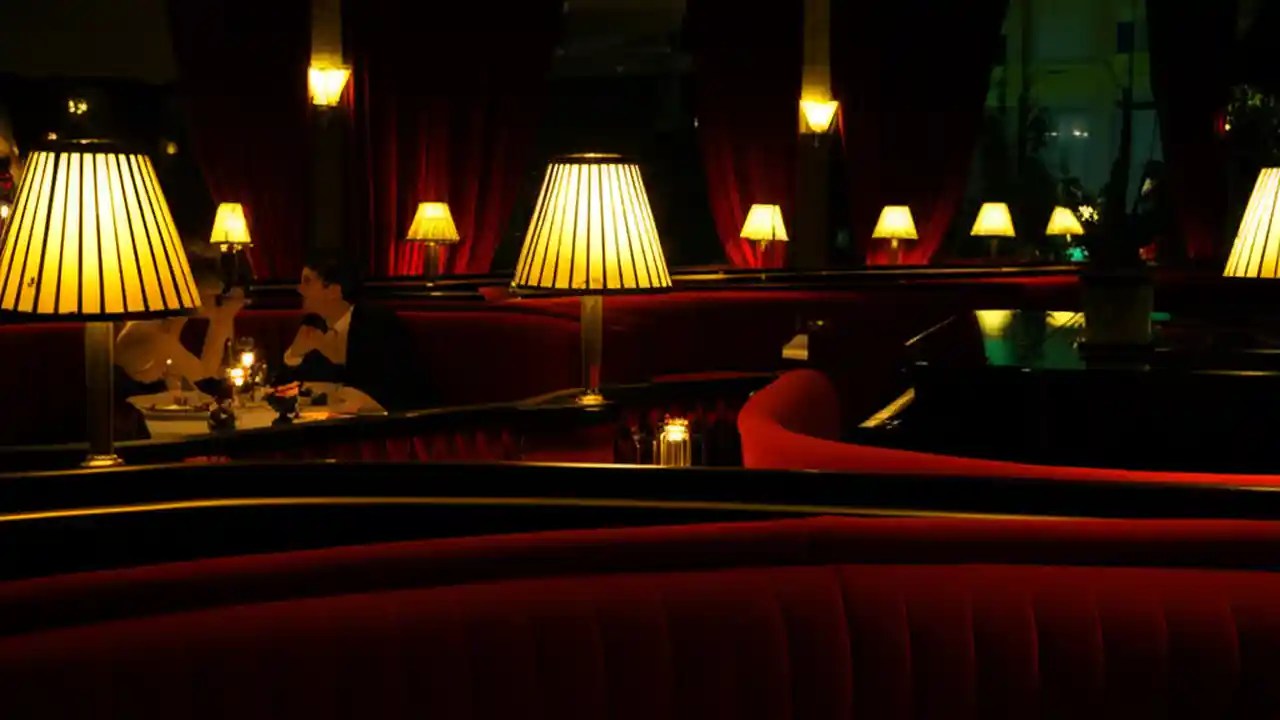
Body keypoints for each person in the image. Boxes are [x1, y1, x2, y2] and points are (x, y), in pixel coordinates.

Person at [113, 242, 246, 437]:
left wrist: (223, 321)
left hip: (155, 428)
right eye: (211, 297)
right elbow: (204, 374)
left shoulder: (170, 325)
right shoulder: (146, 331)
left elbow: (214, 376)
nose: (215, 304)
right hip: (131, 437)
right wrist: (223, 319)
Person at [279, 251, 425, 411]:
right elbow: (286, 386)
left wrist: (335, 355)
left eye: (307, 282)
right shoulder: (314, 323)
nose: (300, 289)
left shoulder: (375, 321)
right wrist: (294, 355)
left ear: (334, 291)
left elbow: (388, 386)